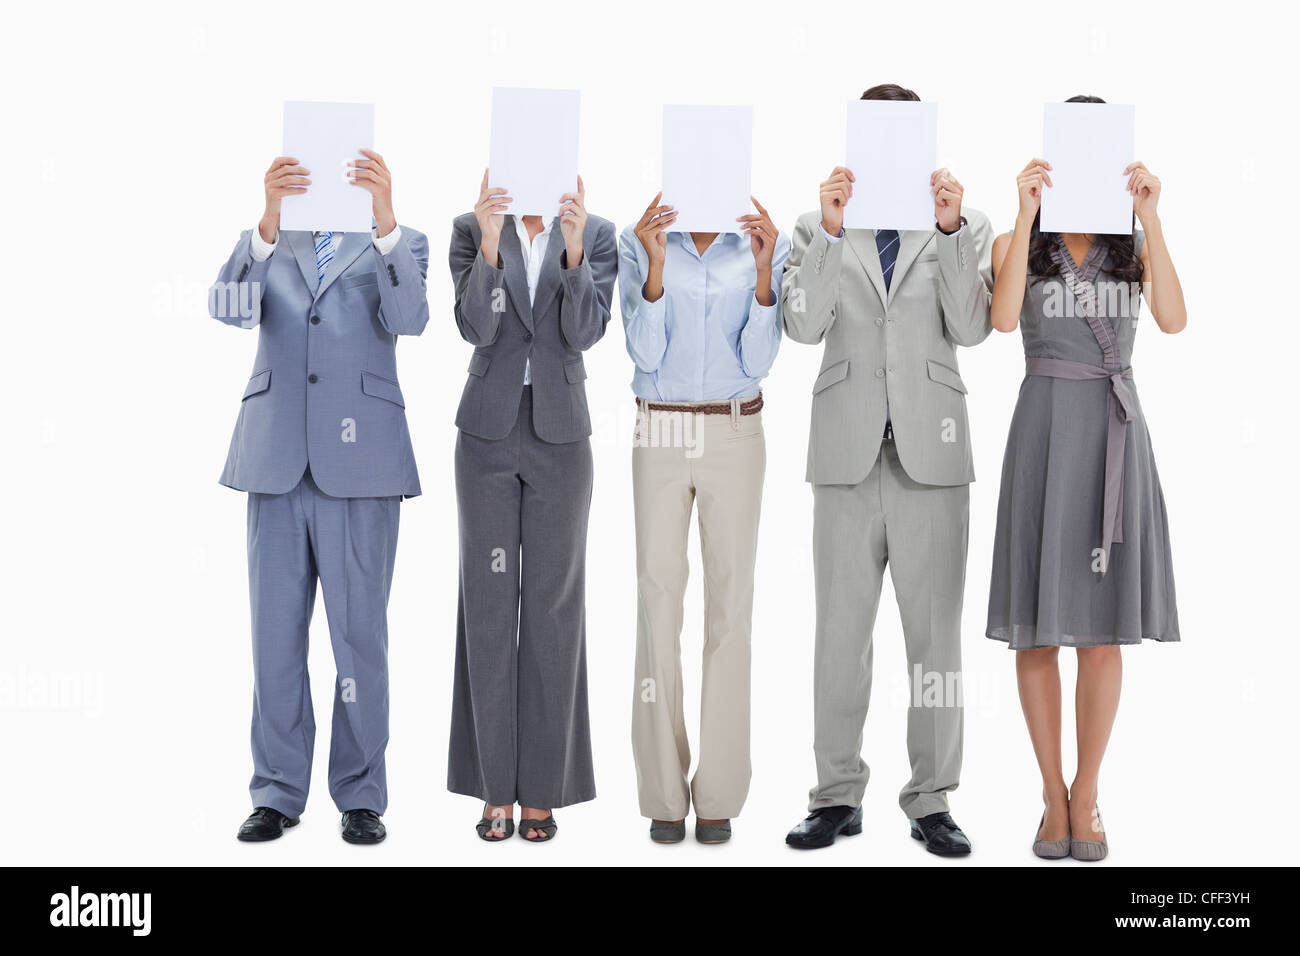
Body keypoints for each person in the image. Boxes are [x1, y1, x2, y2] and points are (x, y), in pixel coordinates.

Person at [782, 84, 993, 854]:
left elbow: (974, 327)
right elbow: (802, 327)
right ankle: (836, 795)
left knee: (935, 641)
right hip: (845, 454)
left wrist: (950, 230)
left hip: (931, 460)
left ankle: (931, 798)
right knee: (839, 638)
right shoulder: (817, 225)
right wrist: (833, 233)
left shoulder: (962, 226)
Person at [986, 96, 1186, 862]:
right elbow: (1003, 321)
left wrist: (1153, 217)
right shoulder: (1019, 238)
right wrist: (1024, 209)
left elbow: (1172, 319)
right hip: (1042, 428)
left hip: (1111, 431)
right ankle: (1048, 795)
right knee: (1036, 630)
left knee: (1101, 636)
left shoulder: (1131, 248)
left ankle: (1087, 794)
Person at [209, 150, 429, 845]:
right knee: (274, 638)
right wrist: (266, 224)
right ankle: (276, 790)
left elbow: (412, 317)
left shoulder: (399, 240)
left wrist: (386, 221)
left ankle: (361, 793)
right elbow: (227, 309)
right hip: (274, 460)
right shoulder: (270, 242)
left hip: (362, 466)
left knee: (359, 638)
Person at [447, 171, 617, 842]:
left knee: (552, 607)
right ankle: (493, 788)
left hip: (561, 437)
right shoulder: (471, 227)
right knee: (488, 605)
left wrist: (573, 251)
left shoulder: (596, 232)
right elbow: (475, 326)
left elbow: (585, 332)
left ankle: (543, 788)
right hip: (486, 434)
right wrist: (491, 243)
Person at [619, 192, 790, 844]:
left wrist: (768, 274)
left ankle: (718, 793)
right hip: (659, 429)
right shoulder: (643, 239)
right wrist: (656, 268)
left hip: (733, 432)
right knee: (657, 604)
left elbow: (759, 361)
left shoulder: (755, 242)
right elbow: (643, 352)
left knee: (730, 611)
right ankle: (663, 792)